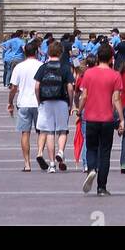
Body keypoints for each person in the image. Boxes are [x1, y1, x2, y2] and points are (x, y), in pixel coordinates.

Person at [78, 44, 124, 197]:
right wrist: (121, 119)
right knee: (105, 152)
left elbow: (83, 95)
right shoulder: (115, 75)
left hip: (90, 117)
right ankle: (101, 187)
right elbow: (116, 99)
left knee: (91, 147)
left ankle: (91, 169)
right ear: (112, 58)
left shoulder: (89, 73)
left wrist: (79, 111)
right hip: (107, 119)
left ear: (98, 57)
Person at [34, 38, 74, 173]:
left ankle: (51, 164)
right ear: (61, 53)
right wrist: (71, 102)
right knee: (62, 130)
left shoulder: (43, 67)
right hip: (61, 101)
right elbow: (70, 86)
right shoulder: (65, 68)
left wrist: (39, 100)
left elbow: (37, 86)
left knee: (49, 132)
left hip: (46, 101)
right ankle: (61, 152)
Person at [8, 40, 43, 171]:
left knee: (25, 133)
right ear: (35, 52)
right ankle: (40, 153)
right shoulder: (41, 65)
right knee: (41, 131)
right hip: (38, 103)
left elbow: (13, 88)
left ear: (24, 52)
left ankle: (27, 163)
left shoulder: (19, 67)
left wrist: (10, 102)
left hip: (23, 103)